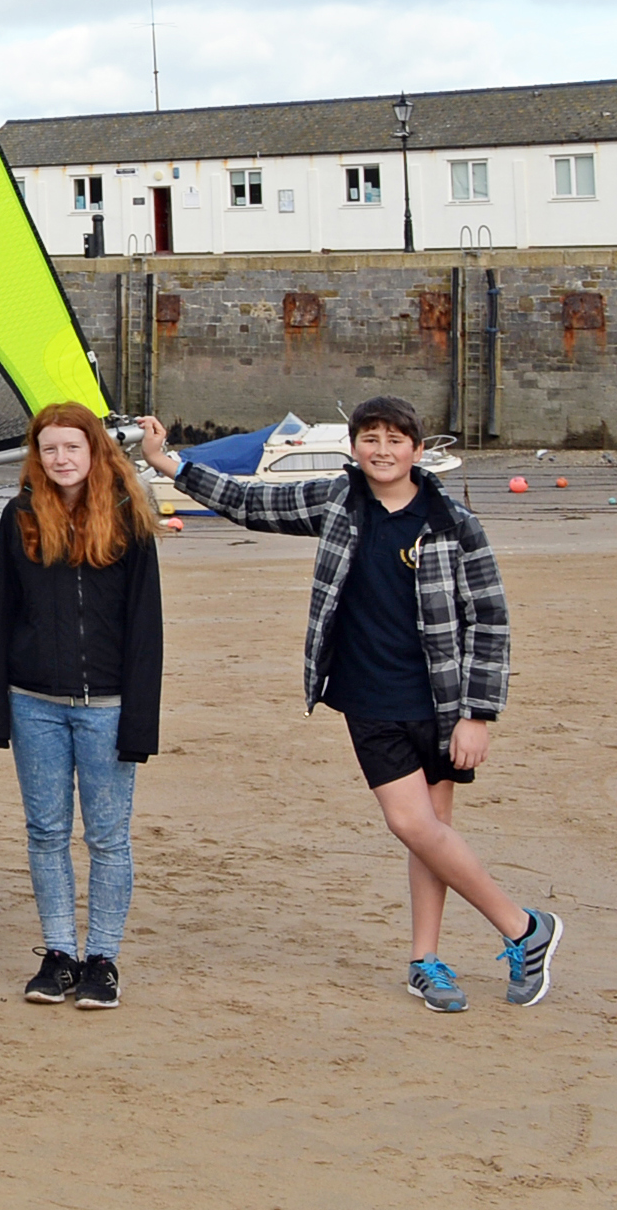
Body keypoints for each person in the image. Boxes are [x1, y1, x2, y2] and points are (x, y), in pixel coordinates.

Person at [138, 401, 559, 1010]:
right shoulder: (339, 502)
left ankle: (448, 952)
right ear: (354, 447)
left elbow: (489, 619)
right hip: (368, 695)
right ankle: (519, 930)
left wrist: (478, 713)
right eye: (370, 439)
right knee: (414, 826)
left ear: (418, 450)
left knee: (429, 834)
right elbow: (252, 503)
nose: (382, 450)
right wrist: (170, 465)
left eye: (395, 440)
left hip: (442, 701)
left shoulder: (452, 520)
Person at [0, 404, 165, 1011]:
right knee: (47, 832)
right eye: (49, 449)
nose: (61, 459)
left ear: (95, 453)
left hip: (108, 705)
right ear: (38, 454)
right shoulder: (21, 515)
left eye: (72, 449)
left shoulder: (130, 516)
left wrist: (140, 723)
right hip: (34, 704)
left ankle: (102, 960)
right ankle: (58, 954)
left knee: (107, 838)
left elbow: (146, 629)